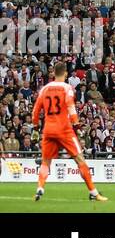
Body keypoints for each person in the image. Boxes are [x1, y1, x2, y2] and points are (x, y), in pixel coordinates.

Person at [32, 61, 106, 203]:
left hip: (48, 129)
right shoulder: (67, 88)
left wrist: (35, 127)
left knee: (46, 162)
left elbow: (36, 110)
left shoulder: (44, 89)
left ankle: (40, 188)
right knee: (80, 160)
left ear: (53, 73)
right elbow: (71, 107)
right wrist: (77, 125)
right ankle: (93, 192)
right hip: (64, 129)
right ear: (65, 73)